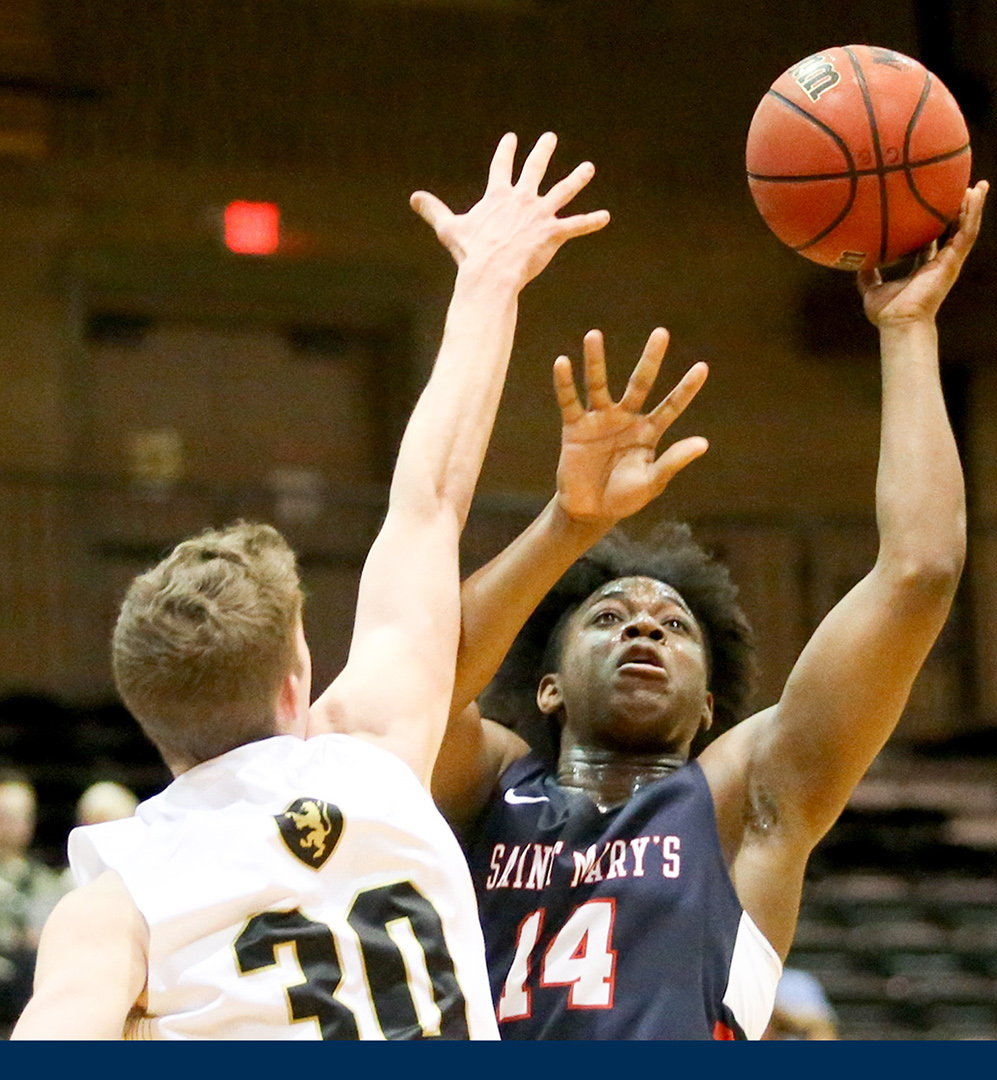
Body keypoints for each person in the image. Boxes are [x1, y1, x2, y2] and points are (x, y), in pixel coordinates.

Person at [13, 132, 611, 1040]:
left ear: (145, 709)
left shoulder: (118, 897)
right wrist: (489, 280)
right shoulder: (372, 758)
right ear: (296, 680)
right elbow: (430, 501)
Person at [430, 181, 988, 1040]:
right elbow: (424, 673)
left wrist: (908, 329)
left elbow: (919, 572)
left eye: (674, 627)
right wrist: (569, 523)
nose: (643, 627)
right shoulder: (483, 788)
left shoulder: (742, 801)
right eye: (607, 618)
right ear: (548, 687)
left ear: (707, 707)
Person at [0, 773, 62, 1030]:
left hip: (29, 1003)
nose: (16, 824)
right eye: (7, 815)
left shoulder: (45, 880)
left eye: (23, 816)